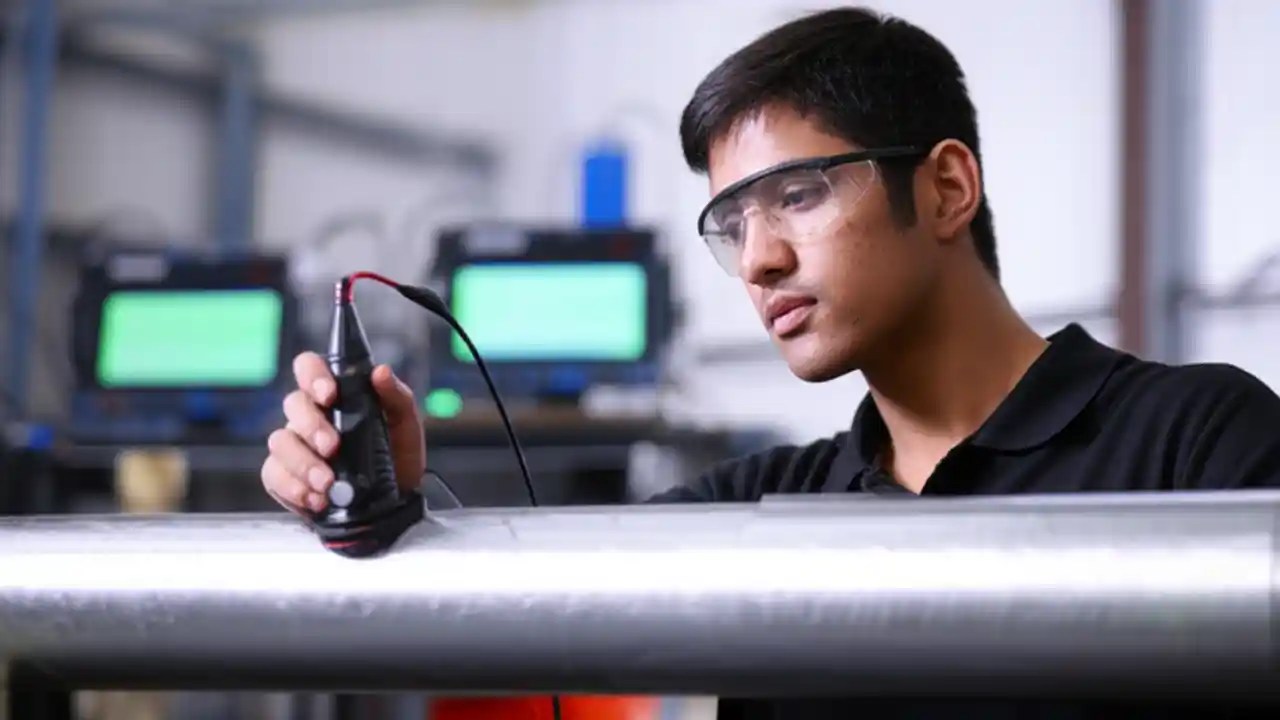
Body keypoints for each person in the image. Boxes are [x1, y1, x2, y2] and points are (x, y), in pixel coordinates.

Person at [261, 6, 1280, 718]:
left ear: (945, 187)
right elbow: (516, 603)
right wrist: (394, 500)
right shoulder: (765, 509)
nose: (758, 259)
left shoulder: (1198, 444)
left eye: (796, 196)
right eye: (730, 222)